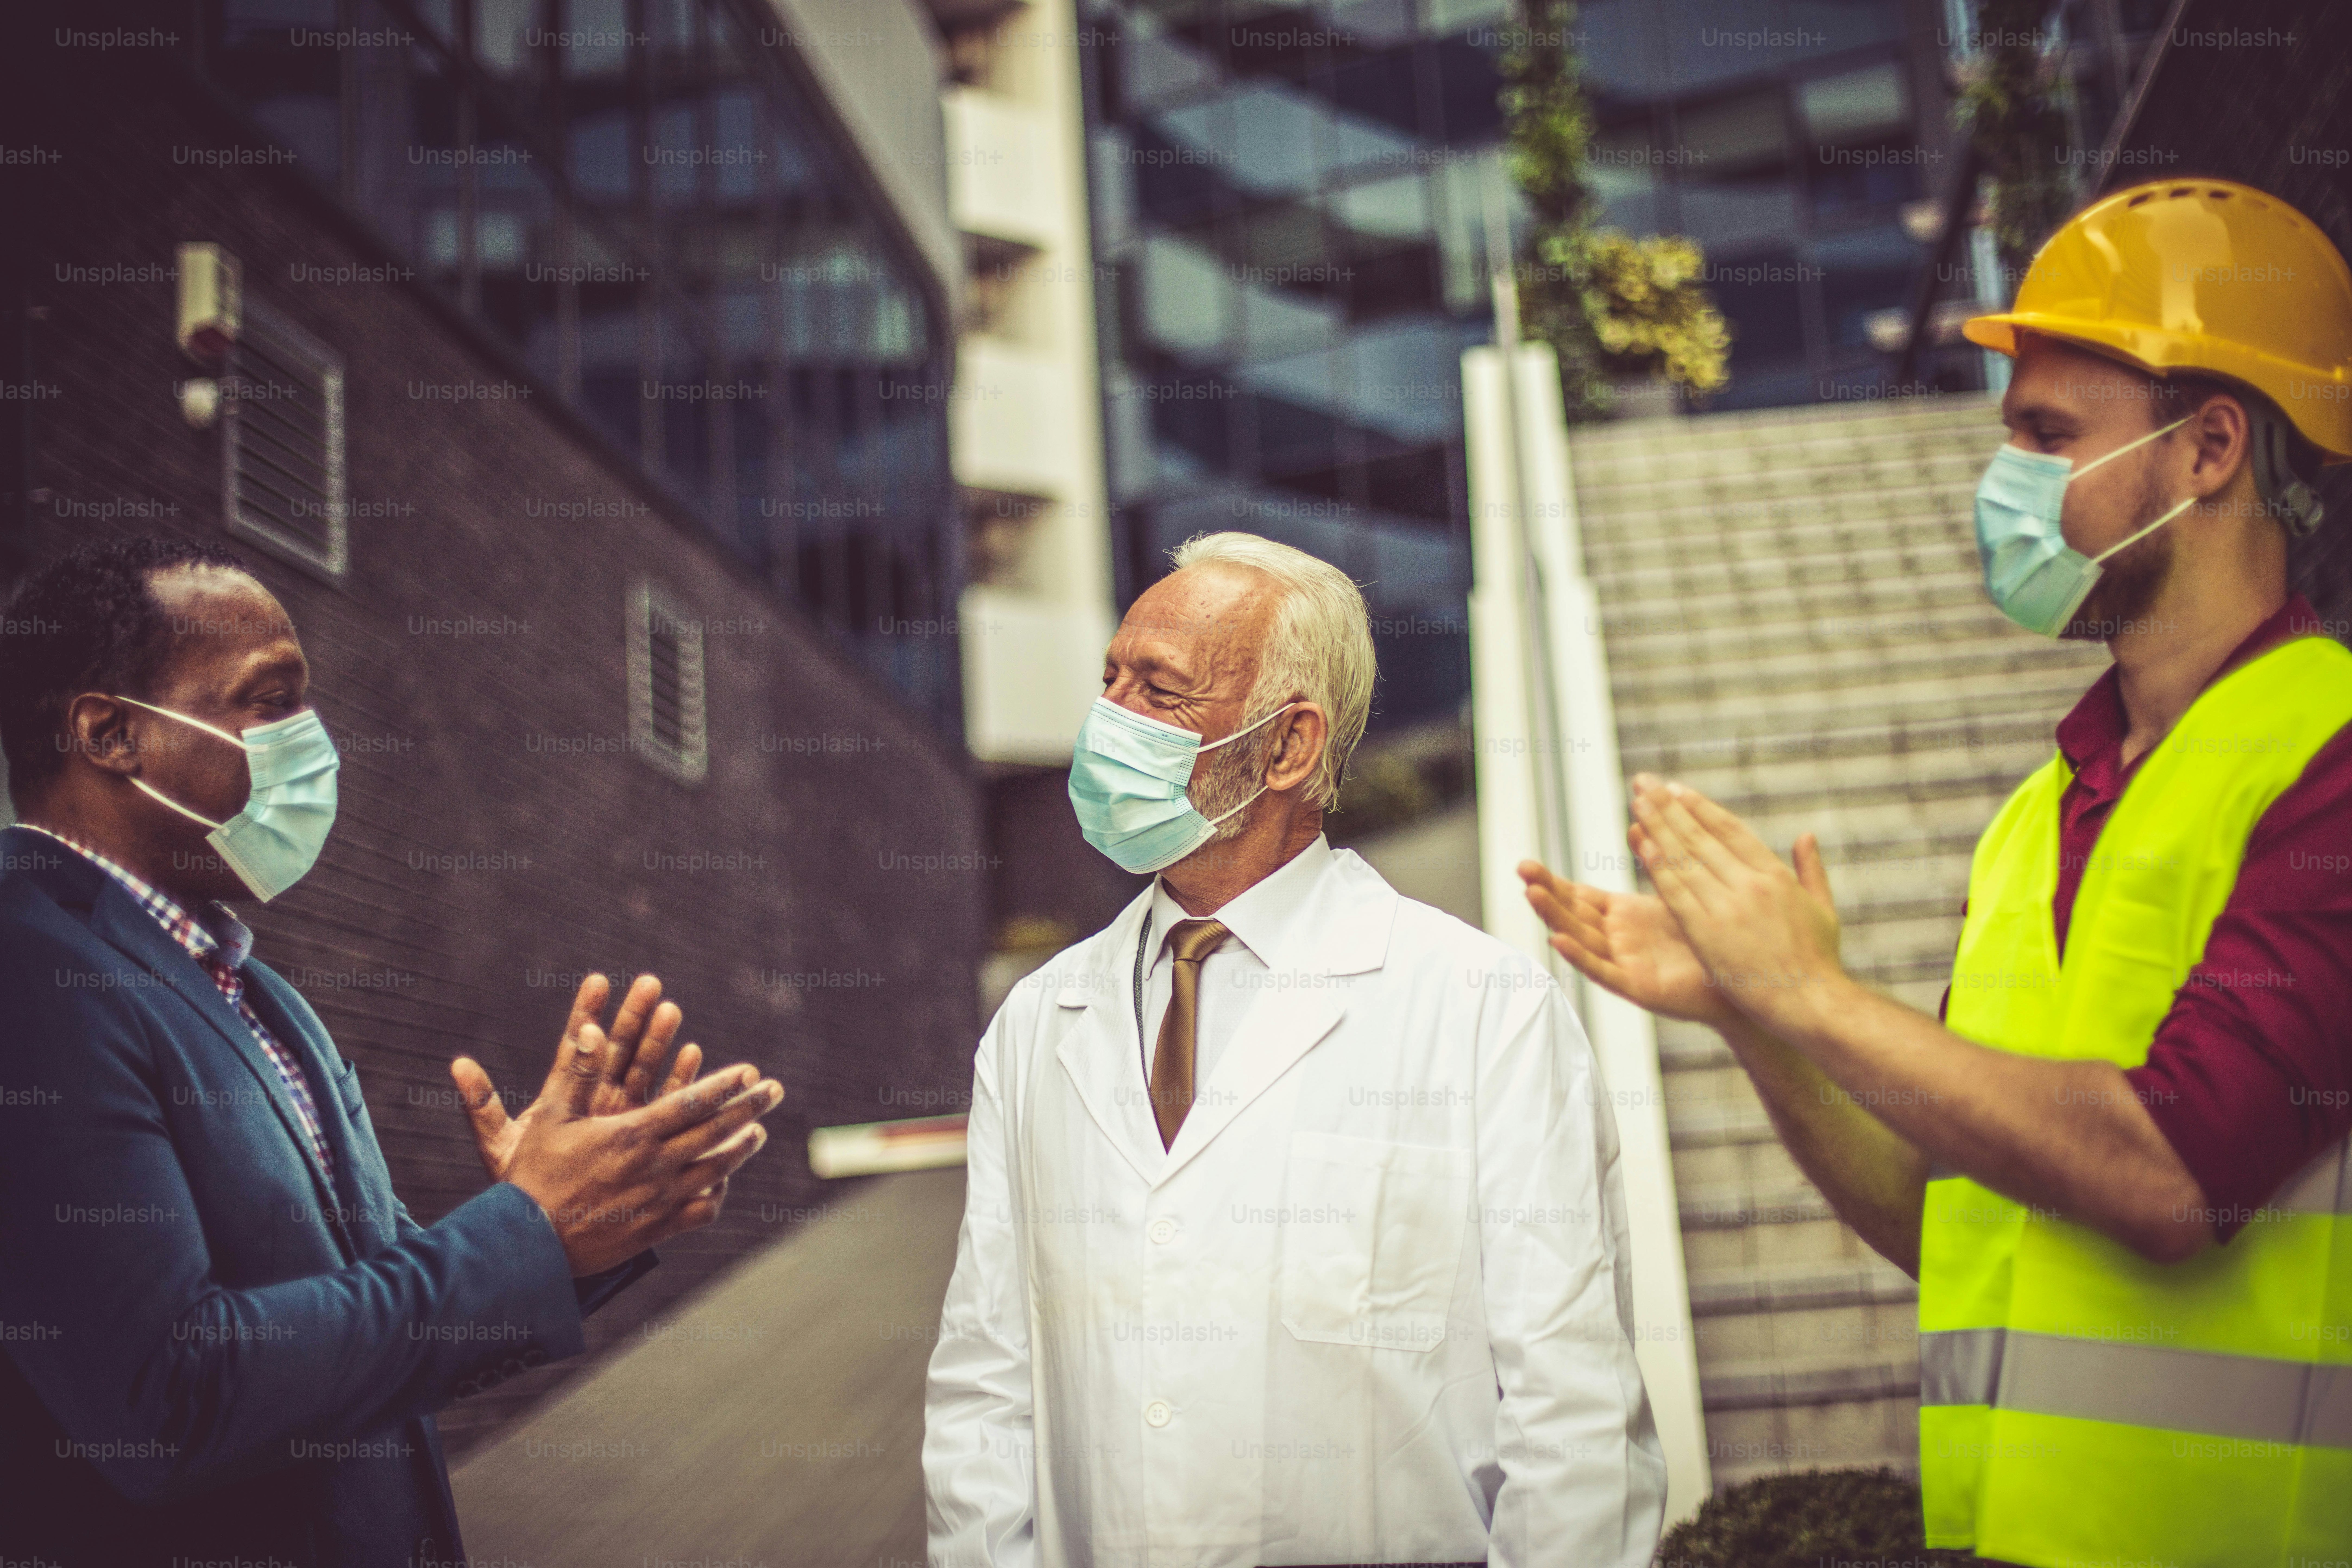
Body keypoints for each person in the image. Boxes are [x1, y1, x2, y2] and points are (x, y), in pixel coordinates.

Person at [1518, 177, 2352, 1567]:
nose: (1999, 485)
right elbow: (1944, 1220)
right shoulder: (2037, 810)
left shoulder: (2326, 752)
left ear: (2208, 448)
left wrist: (1820, 992)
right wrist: (1757, 1011)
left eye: (2045, 436)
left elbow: (2166, 1174)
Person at [0, 536, 785, 1568]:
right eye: (268, 701)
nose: (311, 743)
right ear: (108, 732)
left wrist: (576, 1218)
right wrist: (528, 1232)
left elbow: (379, 1322)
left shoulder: (257, 994)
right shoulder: (31, 972)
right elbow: (165, 1402)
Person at [924, 531, 1665, 1568]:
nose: (1108, 722)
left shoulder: (1480, 1010)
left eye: (1160, 691)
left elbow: (1574, 1421)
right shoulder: (1040, 1024)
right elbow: (985, 1390)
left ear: (1286, 747)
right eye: (1109, 681)